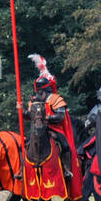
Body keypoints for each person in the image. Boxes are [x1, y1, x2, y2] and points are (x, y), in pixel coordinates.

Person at [28, 54, 80, 187]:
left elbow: (60, 116)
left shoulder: (56, 99)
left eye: (40, 91)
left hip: (53, 129)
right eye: (37, 91)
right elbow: (29, 115)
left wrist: (47, 118)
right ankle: (23, 170)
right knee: (26, 144)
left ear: (45, 90)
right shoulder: (35, 101)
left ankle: (66, 168)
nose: (37, 94)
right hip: (38, 129)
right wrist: (21, 110)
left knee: (65, 144)